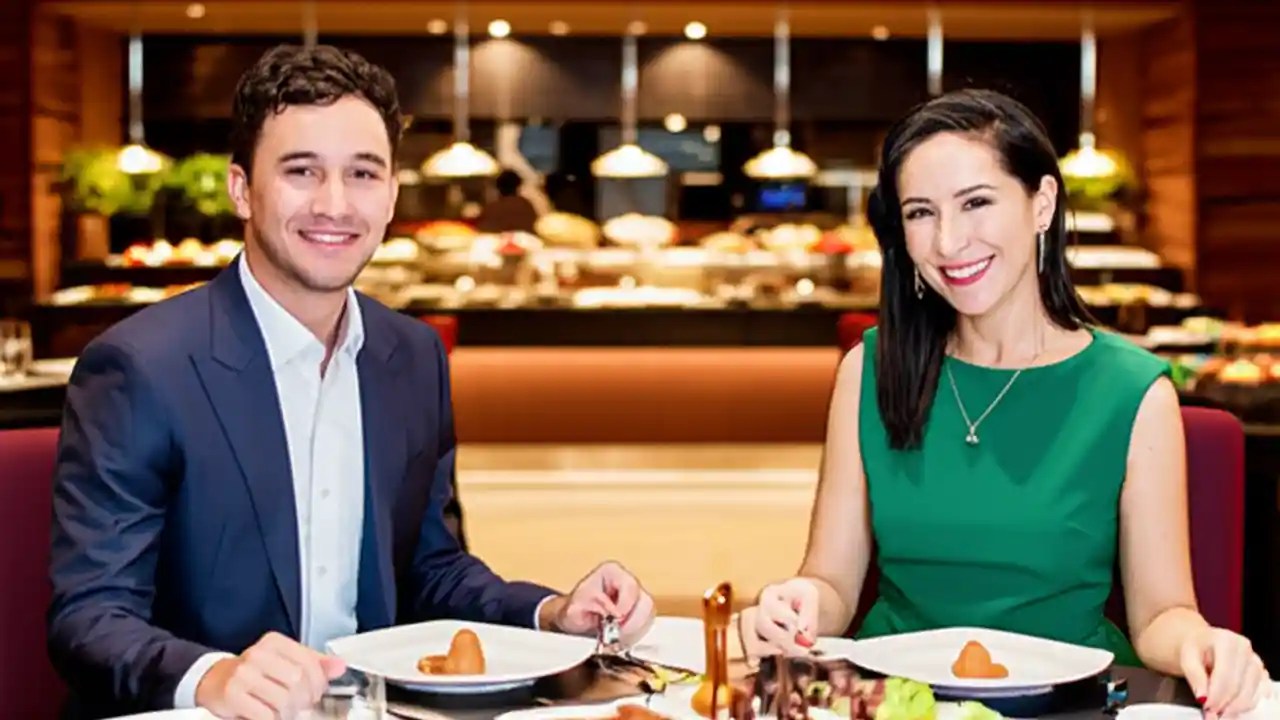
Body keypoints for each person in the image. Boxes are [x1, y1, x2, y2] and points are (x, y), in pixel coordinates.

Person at [47, 44, 655, 720]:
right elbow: (91, 618)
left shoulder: (413, 354)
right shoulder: (140, 366)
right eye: (302, 171)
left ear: (392, 195)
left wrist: (552, 613)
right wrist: (214, 677)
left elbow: (431, 570)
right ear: (242, 189)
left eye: (363, 174)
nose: (335, 205)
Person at [742, 89, 1270, 719]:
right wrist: (795, 602)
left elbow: (1161, 614)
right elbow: (831, 583)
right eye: (920, 213)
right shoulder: (871, 369)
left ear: (1041, 203)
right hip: (892, 701)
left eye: (976, 203)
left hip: (1062, 705)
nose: (948, 241)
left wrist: (1205, 642)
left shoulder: (1132, 390)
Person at [475, 168, 539, 234]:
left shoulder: (492, 208)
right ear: (518, 185)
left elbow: (483, 231)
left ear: (498, 186)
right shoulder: (526, 206)